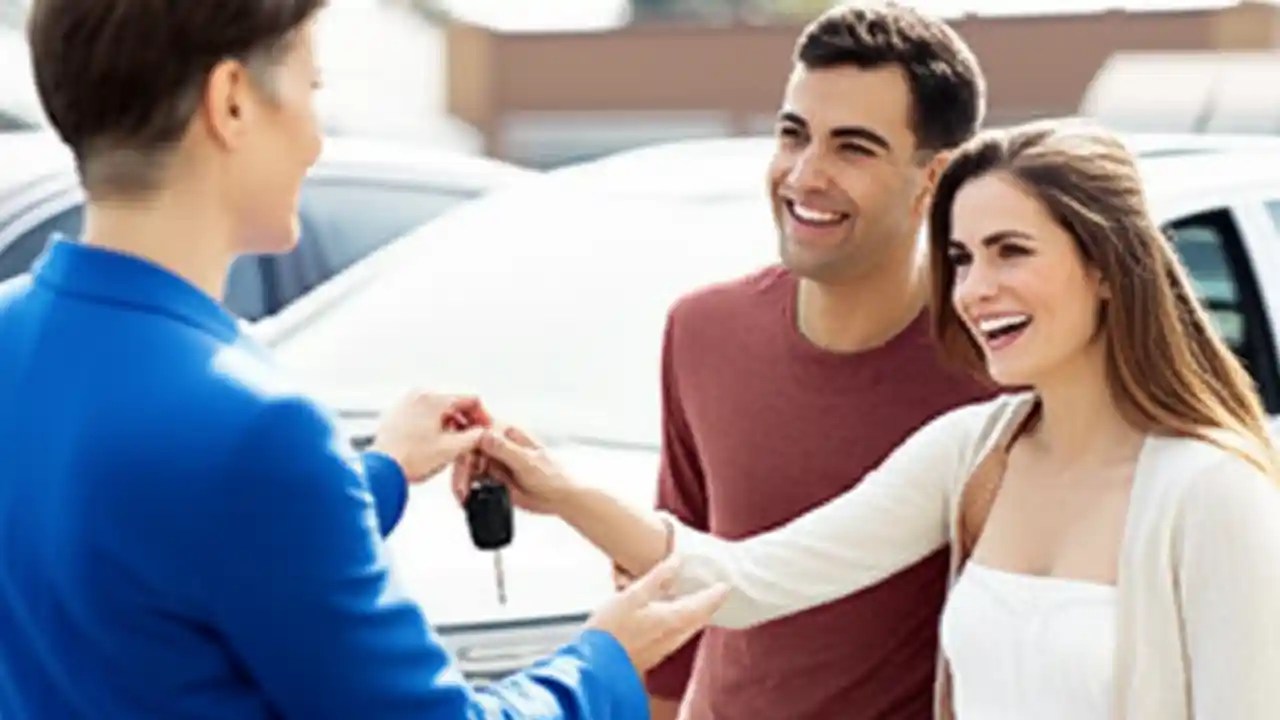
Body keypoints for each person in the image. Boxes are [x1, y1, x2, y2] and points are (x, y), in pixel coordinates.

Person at [0, 1, 727, 717]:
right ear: (230, 103)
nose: (316, 140)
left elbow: (168, 552)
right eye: (312, 90)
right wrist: (603, 661)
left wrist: (380, 474)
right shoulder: (255, 431)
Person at [462, 119, 1280, 719]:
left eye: (1011, 251)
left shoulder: (1210, 492)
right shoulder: (975, 453)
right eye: (961, 258)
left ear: (1107, 266)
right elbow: (747, 583)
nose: (974, 289)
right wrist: (561, 493)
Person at [607, 3, 992, 718]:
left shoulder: (996, 370)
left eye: (853, 148)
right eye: (793, 135)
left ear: (934, 179)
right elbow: (669, 601)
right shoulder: (703, 331)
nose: (805, 174)